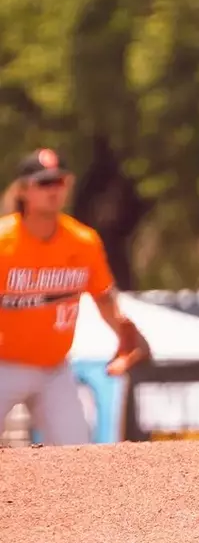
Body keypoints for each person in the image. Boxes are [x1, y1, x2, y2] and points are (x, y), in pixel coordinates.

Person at [0, 148, 150, 445]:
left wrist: (127, 333)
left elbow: (104, 299)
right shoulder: (4, 242)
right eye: (43, 183)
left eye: (59, 182)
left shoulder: (83, 242)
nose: (53, 190)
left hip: (54, 369)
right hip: (4, 366)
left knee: (77, 454)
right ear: (24, 190)